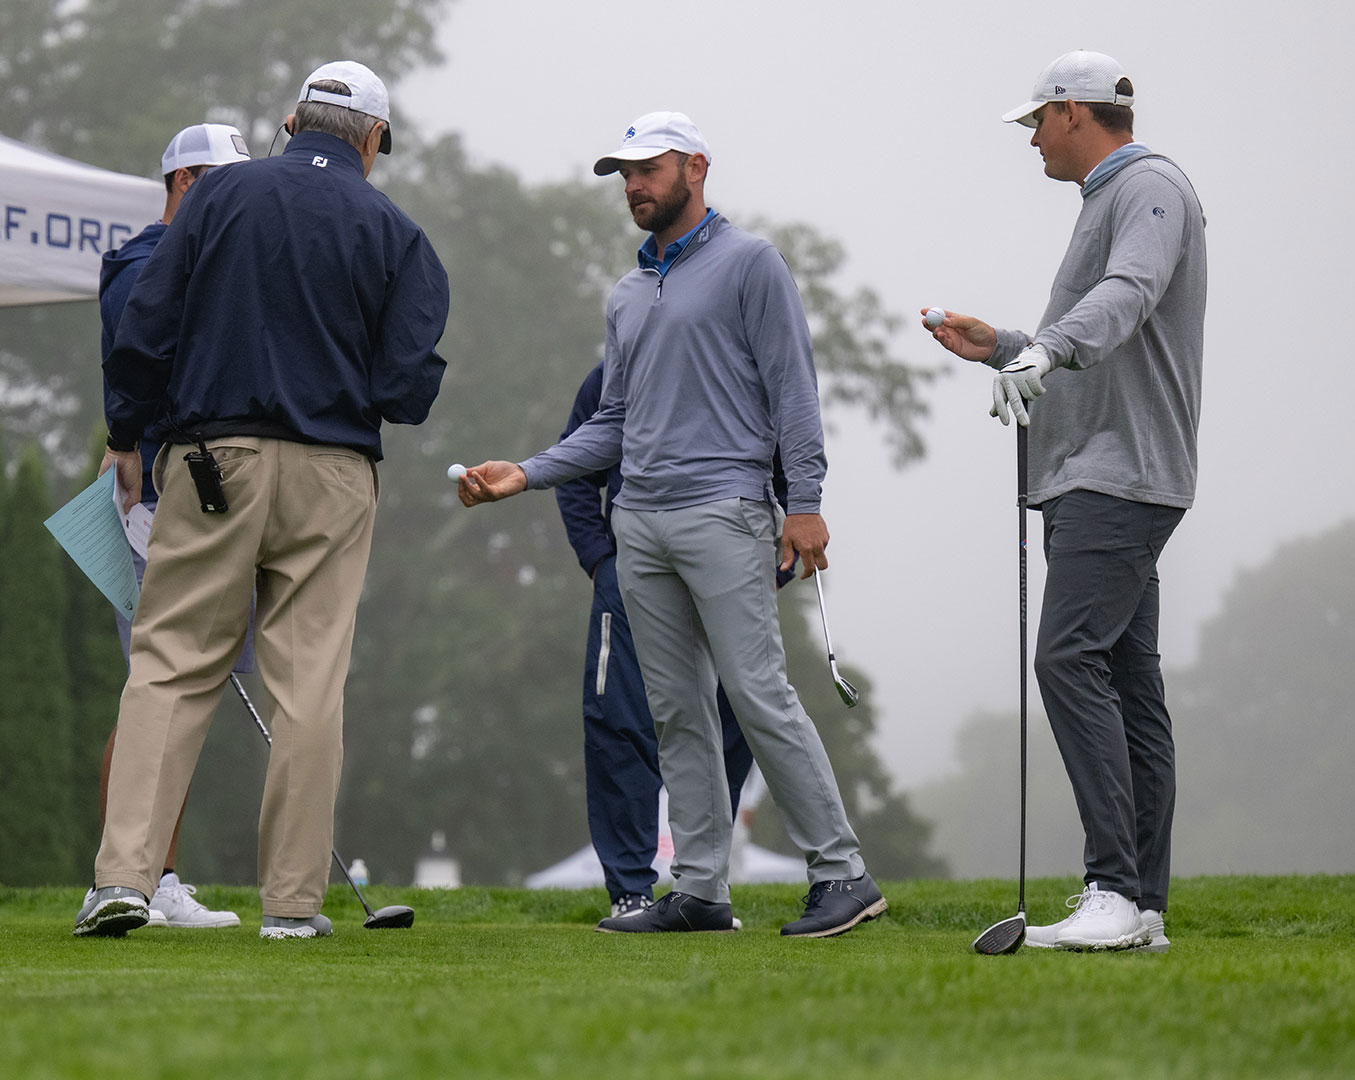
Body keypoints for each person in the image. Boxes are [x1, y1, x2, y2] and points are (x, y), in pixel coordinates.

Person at [457, 112, 884, 937]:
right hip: (641, 525)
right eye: (624, 174)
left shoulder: (751, 264)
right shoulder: (626, 293)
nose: (634, 187)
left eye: (647, 170)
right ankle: (699, 889)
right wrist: (528, 473)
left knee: (758, 695)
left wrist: (804, 504)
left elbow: (794, 391)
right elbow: (613, 421)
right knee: (677, 712)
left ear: (695, 166)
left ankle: (843, 873)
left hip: (725, 512)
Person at [74, 60, 448, 941]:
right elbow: (409, 389)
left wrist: (126, 434)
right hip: (334, 470)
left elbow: (147, 329)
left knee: (168, 664)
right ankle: (290, 906)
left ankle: (124, 878)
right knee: (309, 684)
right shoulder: (398, 232)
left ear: (291, 121)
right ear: (375, 141)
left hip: (212, 461)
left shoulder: (214, 198)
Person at [925, 50, 1205, 952]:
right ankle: (1141, 907)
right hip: (1106, 470)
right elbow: (1106, 329)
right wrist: (1008, 340)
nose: (1031, 138)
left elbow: (1129, 297)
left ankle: (1114, 891)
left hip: (1117, 476)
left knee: (1066, 659)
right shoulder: (1112, 198)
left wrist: (1043, 353)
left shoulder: (1150, 188)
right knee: (1126, 681)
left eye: (1036, 121)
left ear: (1076, 114)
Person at [79, 123, 253, 933]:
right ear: (185, 183)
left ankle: (151, 874)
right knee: (155, 695)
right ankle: (133, 876)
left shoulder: (191, 265)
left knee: (171, 696)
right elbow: (146, 374)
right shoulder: (147, 266)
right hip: (156, 504)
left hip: (178, 500)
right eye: (221, 186)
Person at [554, 360, 756, 925]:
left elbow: (787, 471)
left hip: (730, 570)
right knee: (621, 727)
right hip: (631, 575)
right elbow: (576, 469)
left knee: (731, 726)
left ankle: (705, 885)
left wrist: (774, 571)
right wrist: (601, 562)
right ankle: (629, 888)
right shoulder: (612, 375)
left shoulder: (748, 371)